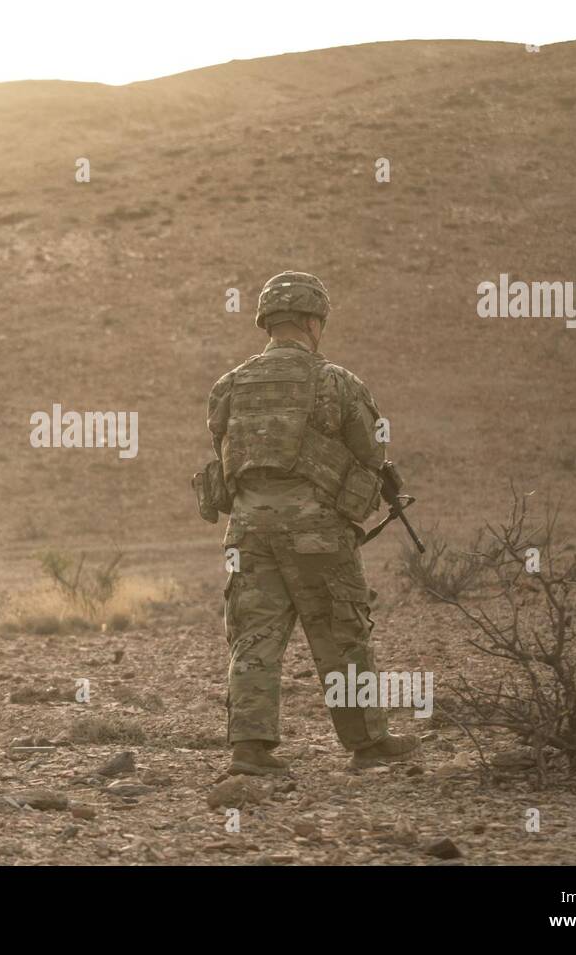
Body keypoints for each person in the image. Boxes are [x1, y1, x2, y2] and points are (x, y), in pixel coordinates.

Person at [206, 271, 420, 775]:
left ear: (268, 322)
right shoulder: (336, 382)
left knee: (254, 637)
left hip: (246, 530)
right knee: (341, 633)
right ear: (311, 321)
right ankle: (367, 744)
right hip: (316, 532)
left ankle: (250, 752)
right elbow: (372, 450)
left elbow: (225, 451)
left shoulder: (229, 385)